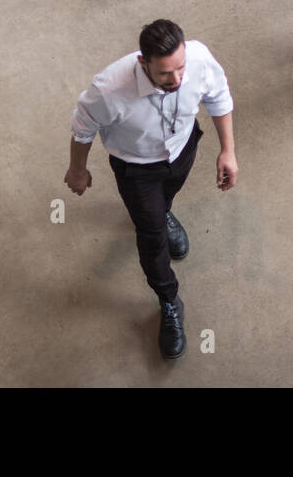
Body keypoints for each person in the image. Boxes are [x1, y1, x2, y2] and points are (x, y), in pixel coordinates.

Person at [64, 20, 238, 359]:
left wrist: (227, 150)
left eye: (180, 69)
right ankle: (168, 298)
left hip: (183, 148)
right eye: (164, 75)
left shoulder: (198, 58)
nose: (176, 80)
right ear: (143, 62)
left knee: (164, 202)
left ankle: (164, 209)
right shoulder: (108, 89)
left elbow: (218, 96)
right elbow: (82, 128)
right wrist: (77, 169)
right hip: (136, 168)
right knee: (151, 233)